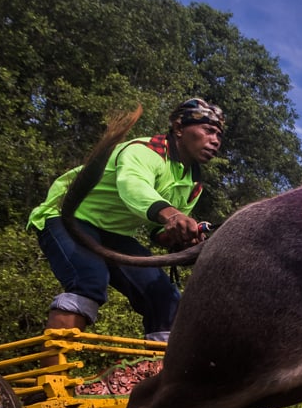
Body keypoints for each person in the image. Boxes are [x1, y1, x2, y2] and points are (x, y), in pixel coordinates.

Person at [27, 97, 225, 342]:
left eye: (218, 135)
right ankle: (54, 376)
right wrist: (174, 215)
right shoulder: (145, 151)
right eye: (208, 130)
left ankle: (157, 378)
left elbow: (158, 231)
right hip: (67, 216)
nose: (215, 141)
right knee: (88, 280)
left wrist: (184, 240)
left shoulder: (193, 184)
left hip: (113, 234)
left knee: (166, 299)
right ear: (178, 128)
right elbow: (134, 188)